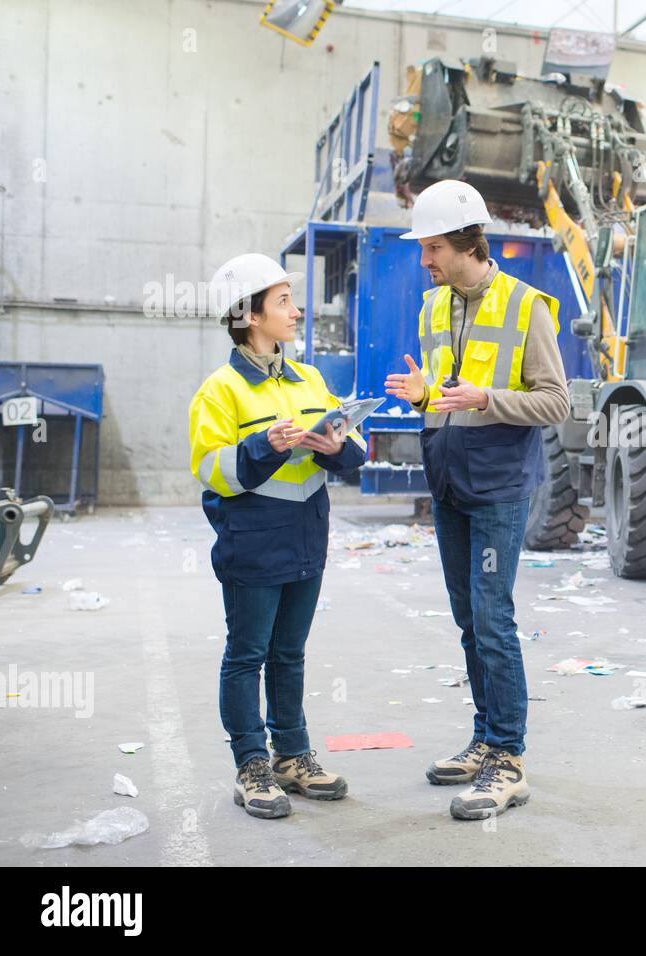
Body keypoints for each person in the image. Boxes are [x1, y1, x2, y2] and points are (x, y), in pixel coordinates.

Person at [384, 180, 569, 821]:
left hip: (498, 487)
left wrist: (489, 400)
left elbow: (556, 402)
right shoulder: (436, 306)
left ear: (467, 244)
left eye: (433, 248)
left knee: (493, 619)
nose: (424, 261)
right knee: (468, 620)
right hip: (450, 484)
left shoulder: (528, 307)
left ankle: (508, 760)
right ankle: (485, 738)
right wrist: (421, 394)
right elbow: (445, 395)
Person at [190, 253, 367, 819]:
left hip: (305, 539)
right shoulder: (220, 391)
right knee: (247, 655)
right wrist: (268, 443)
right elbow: (211, 469)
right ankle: (251, 764)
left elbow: (354, 454)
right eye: (283, 301)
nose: (296, 311)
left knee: (288, 654)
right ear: (250, 314)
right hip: (253, 542)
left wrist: (340, 446)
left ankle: (292, 755)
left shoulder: (309, 378)